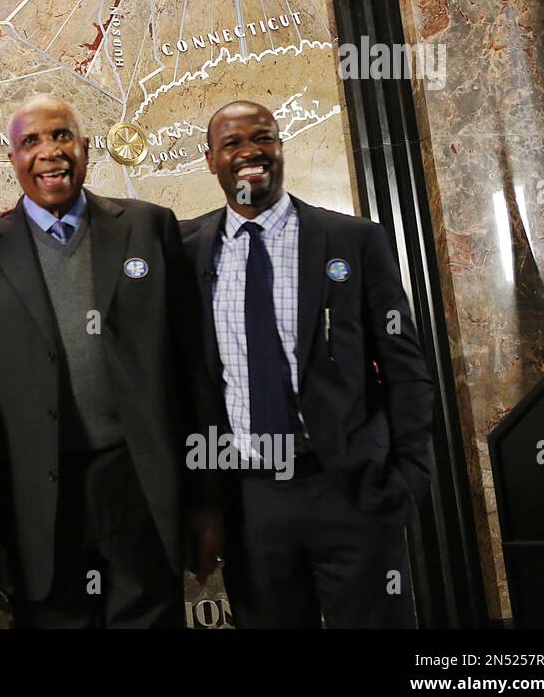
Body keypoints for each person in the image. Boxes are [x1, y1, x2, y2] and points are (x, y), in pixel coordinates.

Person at [0, 94, 223, 628]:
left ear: (87, 149)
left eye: (62, 136)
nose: (50, 152)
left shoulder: (150, 228)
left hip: (138, 486)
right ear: (12, 159)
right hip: (37, 506)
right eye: (31, 141)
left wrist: (205, 503)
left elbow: (193, 371)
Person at [180, 100, 433, 628]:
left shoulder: (353, 240)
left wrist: (409, 476)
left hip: (349, 491)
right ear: (210, 160)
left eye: (263, 138)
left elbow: (405, 366)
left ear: (279, 147)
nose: (251, 152)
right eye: (232, 143)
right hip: (250, 502)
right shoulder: (184, 251)